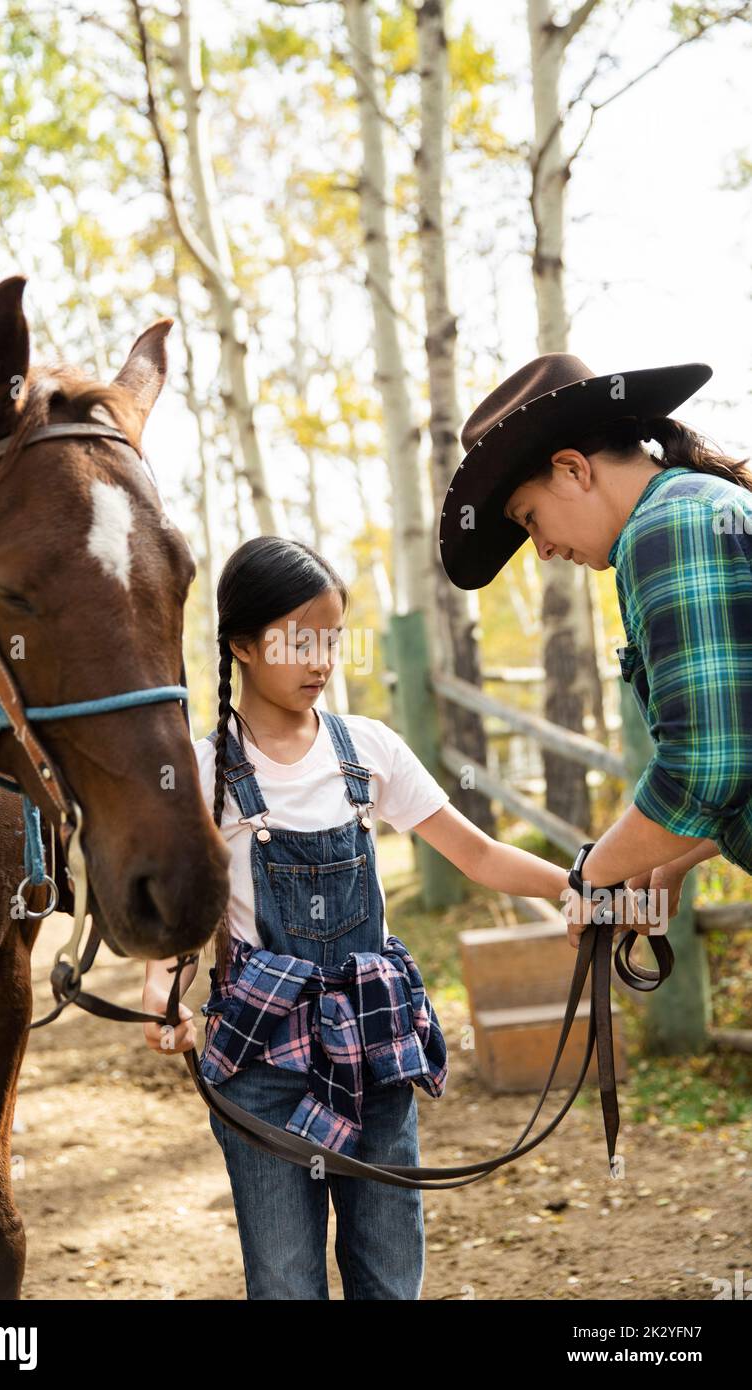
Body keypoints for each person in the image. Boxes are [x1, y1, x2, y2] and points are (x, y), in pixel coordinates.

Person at [142, 535, 574, 1301]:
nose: (322, 660)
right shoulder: (204, 769)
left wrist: (581, 889)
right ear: (241, 644)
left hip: (374, 1049)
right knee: (284, 1280)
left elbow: (476, 854)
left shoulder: (367, 750)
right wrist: (162, 995)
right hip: (262, 1066)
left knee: (388, 1271)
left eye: (333, 639)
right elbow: (183, 909)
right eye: (299, 640)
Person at [438, 352, 752, 934]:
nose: (544, 549)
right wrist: (674, 855)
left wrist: (591, 876)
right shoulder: (700, 509)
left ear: (573, 469)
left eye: (530, 518)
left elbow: (705, 769)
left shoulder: (666, 529)